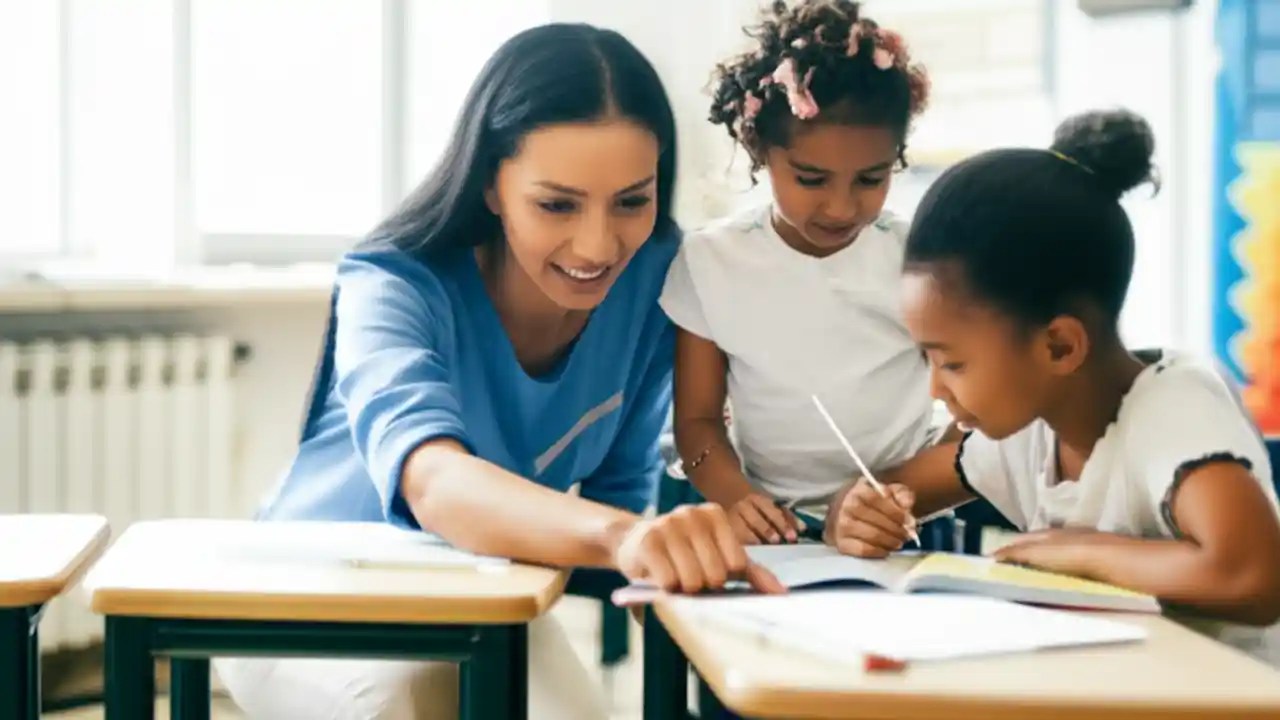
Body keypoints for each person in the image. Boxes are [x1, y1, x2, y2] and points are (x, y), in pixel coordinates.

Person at [215, 23, 781, 720]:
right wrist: (623, 538)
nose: (599, 245)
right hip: (304, 597)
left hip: (479, 594)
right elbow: (433, 479)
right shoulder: (395, 279)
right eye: (557, 204)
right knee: (413, 701)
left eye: (631, 200)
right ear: (491, 183)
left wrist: (719, 608)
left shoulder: (658, 277)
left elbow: (616, 500)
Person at [832, 108, 1280, 664]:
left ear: (1060, 347)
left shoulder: (1175, 409)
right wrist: (856, 517)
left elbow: (1254, 577)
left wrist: (1081, 553)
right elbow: (887, 490)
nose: (936, 391)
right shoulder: (1027, 426)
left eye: (953, 364)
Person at [661, 0, 942, 544]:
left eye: (871, 179)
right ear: (757, 149)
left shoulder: (921, 258)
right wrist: (737, 498)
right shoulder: (710, 262)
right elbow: (695, 425)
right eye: (811, 179)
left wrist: (883, 499)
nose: (841, 208)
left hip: (901, 525)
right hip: (773, 531)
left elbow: (974, 415)